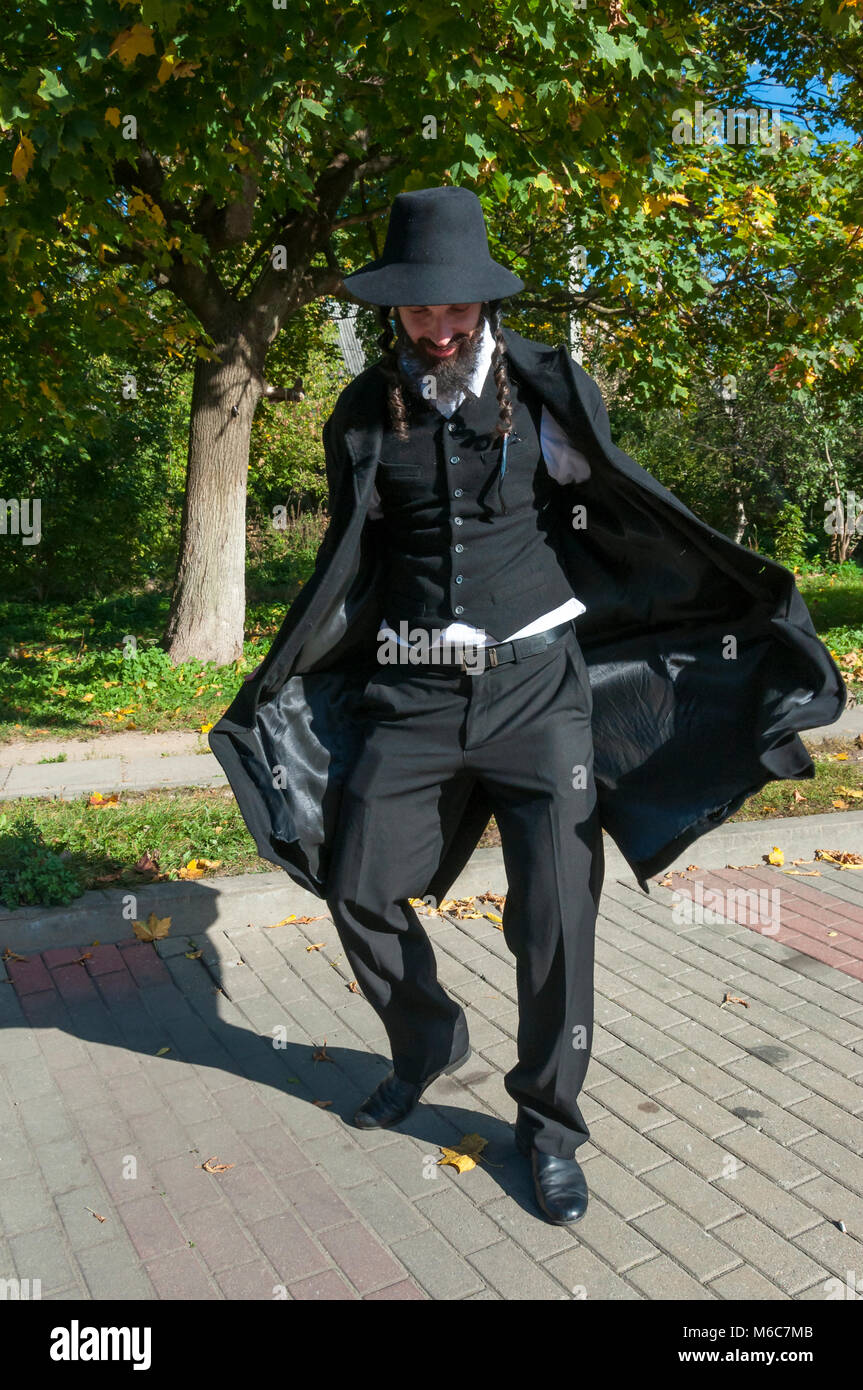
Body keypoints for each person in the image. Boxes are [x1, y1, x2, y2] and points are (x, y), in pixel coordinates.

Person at [214, 184, 845, 1228]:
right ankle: (426, 1036)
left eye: (453, 306)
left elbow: (619, 513)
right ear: (393, 311)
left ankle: (547, 1125)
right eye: (418, 309)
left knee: (554, 915)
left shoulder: (549, 394)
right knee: (355, 878)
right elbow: (349, 561)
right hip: (410, 688)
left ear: (482, 300)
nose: (437, 325)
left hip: (536, 690)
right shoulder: (364, 410)